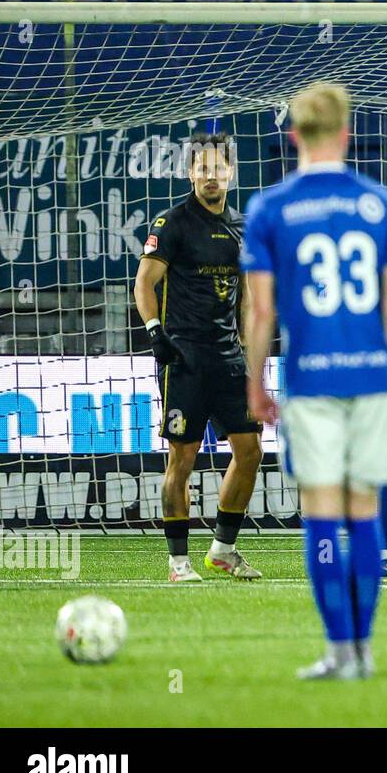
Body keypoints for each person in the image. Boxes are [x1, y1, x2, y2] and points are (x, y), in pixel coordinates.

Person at [241, 81, 387, 679]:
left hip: (309, 379)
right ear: (347, 133)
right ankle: (363, 651)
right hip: (371, 377)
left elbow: (261, 313)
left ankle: (338, 649)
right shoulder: (382, 205)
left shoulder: (270, 208)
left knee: (320, 512)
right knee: (364, 509)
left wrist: (257, 382)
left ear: (292, 136)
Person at [133, 131, 263, 583]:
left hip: (229, 360)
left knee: (250, 450)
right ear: (191, 172)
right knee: (181, 460)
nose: (210, 176)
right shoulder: (172, 223)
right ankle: (178, 563)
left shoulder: (243, 227)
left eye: (218, 168)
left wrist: (249, 349)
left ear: (231, 173)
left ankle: (223, 550)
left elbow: (247, 295)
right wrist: (156, 334)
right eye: (202, 168)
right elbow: (143, 284)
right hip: (183, 359)